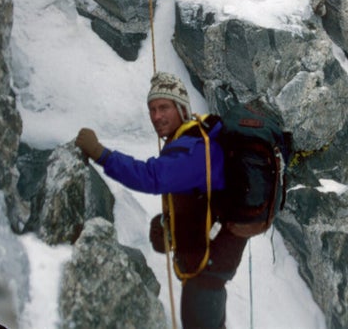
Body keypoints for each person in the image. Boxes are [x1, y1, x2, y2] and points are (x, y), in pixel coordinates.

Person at [75, 71, 247, 329]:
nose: (156, 116)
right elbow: (198, 198)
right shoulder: (192, 142)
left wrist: (101, 154)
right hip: (210, 265)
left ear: (182, 108)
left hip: (206, 270)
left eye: (164, 107)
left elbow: (150, 177)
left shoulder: (195, 149)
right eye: (152, 109)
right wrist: (175, 225)